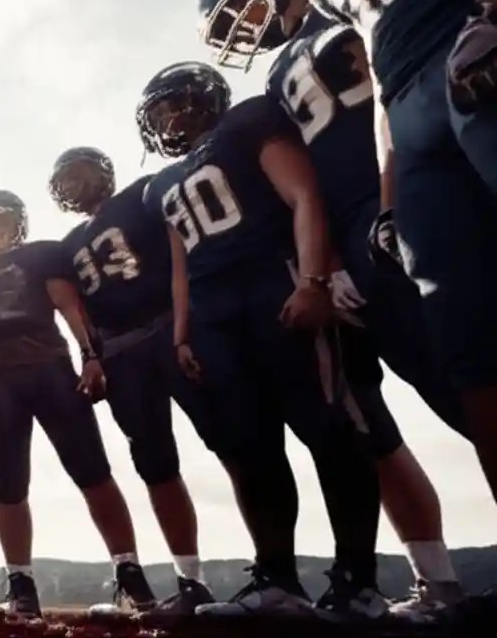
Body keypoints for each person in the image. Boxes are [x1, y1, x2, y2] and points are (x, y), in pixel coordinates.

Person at [199, 0, 469, 620]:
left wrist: (384, 205)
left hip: (411, 190)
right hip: (351, 241)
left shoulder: (347, 9)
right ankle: (438, 586)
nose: (245, 23)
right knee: (386, 419)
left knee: (468, 380)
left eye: (246, 0)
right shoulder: (270, 85)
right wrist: (327, 266)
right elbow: (305, 181)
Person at [137, 60, 381, 617]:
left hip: (275, 282)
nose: (168, 119)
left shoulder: (246, 121)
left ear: (203, 98)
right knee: (252, 448)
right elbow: (181, 264)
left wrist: (315, 278)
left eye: (174, 104)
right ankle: (277, 581)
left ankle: (358, 583)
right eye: (159, 112)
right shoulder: (160, 186)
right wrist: (182, 333)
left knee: (329, 428)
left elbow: (304, 194)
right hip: (214, 314)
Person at [0, 190, 155, 619]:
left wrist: (90, 356)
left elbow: (68, 304)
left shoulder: (41, 255)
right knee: (9, 486)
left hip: (49, 369)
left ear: (19, 222)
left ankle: (129, 573)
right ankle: (21, 585)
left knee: (92, 470)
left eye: (3, 220)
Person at [51, 147, 220, 615]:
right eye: (65, 179)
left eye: (79, 173)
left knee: (233, 443)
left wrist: (186, 325)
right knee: (155, 463)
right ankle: (192, 580)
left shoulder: (143, 195)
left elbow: (178, 249)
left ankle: (275, 572)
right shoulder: (66, 245)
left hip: (169, 327)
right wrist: (93, 356)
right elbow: (76, 308)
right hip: (121, 351)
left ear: (104, 171)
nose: (73, 184)